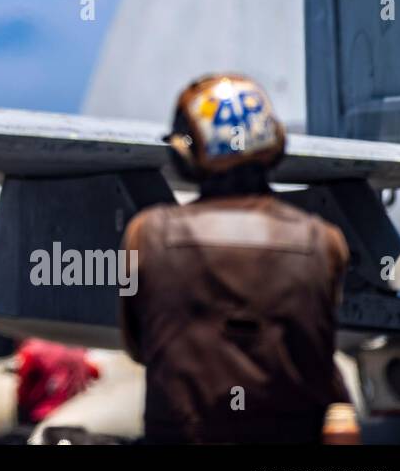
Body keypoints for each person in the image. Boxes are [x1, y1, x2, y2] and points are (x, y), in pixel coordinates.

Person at [119, 73, 355, 444]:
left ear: (184, 153)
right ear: (273, 143)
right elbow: (318, 350)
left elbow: (138, 346)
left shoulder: (147, 236)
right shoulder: (323, 242)